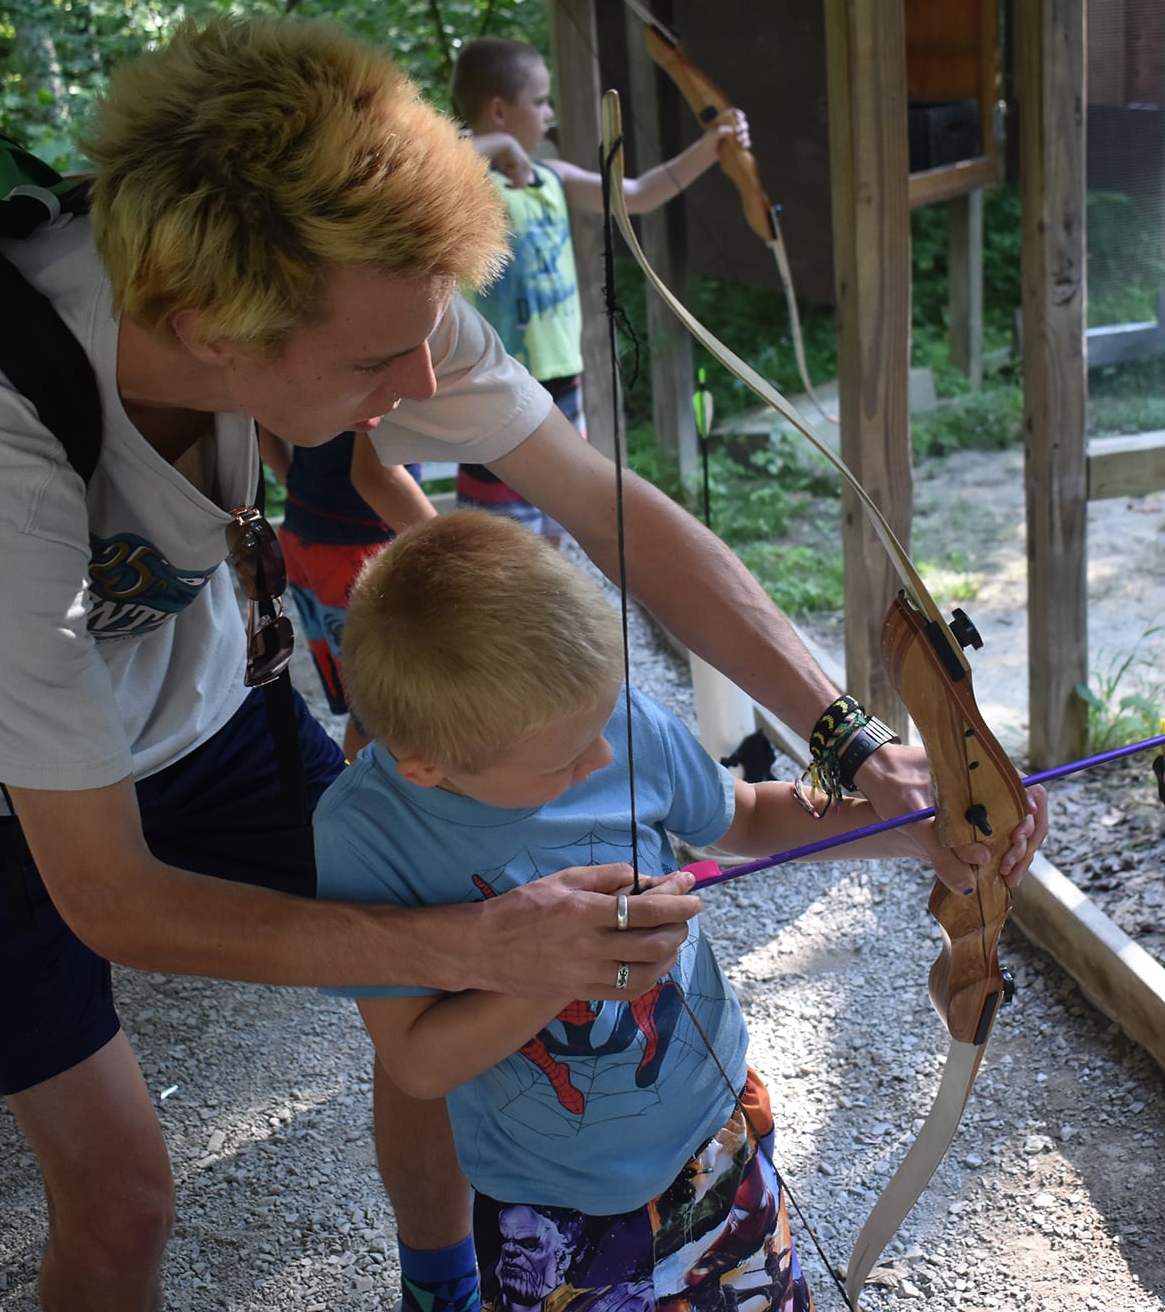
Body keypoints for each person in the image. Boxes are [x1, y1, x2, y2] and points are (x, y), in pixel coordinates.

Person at [0, 15, 1042, 1312]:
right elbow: (110, 894)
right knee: (121, 1204)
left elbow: (611, 511)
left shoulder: (365, 301)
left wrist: (856, 750)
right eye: (380, 362)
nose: (421, 382)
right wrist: (487, 941)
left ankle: (442, 1286)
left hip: (201, 703)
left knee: (445, 956)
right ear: (201, 329)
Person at [323, 511, 932, 1308]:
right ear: (428, 763)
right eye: (567, 760)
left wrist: (912, 826)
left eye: (603, 720)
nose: (605, 756)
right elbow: (417, 1060)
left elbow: (746, 814)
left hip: (717, 1142)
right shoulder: (366, 834)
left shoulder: (608, 717)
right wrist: (560, 969)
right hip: (549, 1208)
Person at [450, 37, 749, 543]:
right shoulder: (462, 181)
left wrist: (712, 146)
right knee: (501, 547)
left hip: (563, 386)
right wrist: (499, 148)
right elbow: (425, 157)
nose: (550, 113)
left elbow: (639, 195)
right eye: (540, 101)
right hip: (498, 390)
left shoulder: (551, 176)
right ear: (498, 110)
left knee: (554, 529)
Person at [258, 426, 436, 755]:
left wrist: (298, 490)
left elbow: (264, 427)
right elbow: (376, 478)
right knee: (381, 711)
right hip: (356, 551)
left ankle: (359, 788)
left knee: (366, 708)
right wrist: (454, 550)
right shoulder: (392, 375)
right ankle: (364, 797)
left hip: (304, 534)